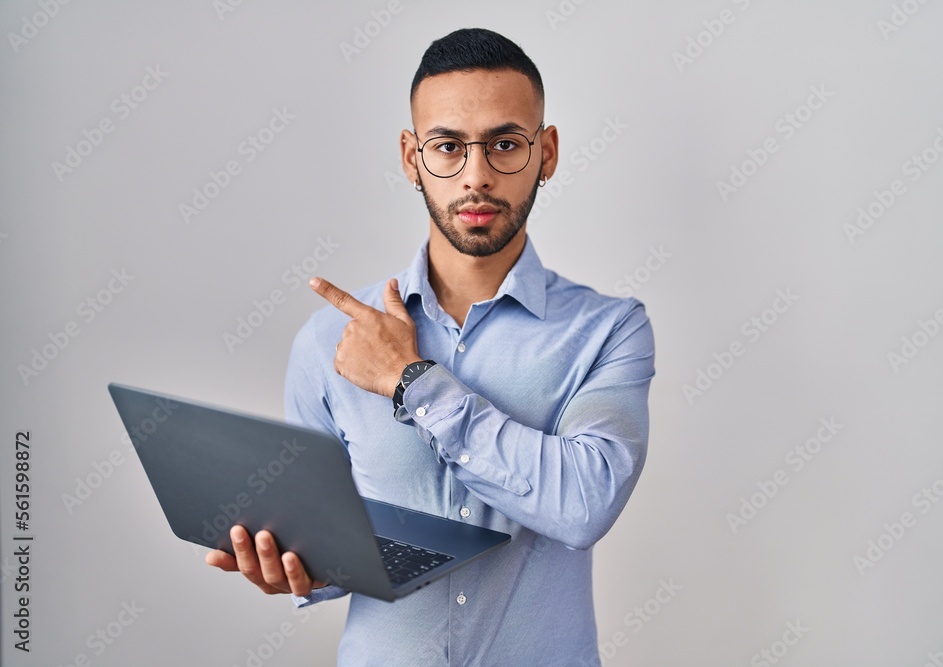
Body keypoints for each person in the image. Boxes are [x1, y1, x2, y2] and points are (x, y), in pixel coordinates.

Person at [206, 27, 655, 666]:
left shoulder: (611, 331)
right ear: (411, 156)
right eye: (447, 146)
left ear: (547, 153)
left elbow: (583, 504)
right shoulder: (331, 341)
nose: (476, 177)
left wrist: (411, 381)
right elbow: (335, 542)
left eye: (505, 143)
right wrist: (297, 567)